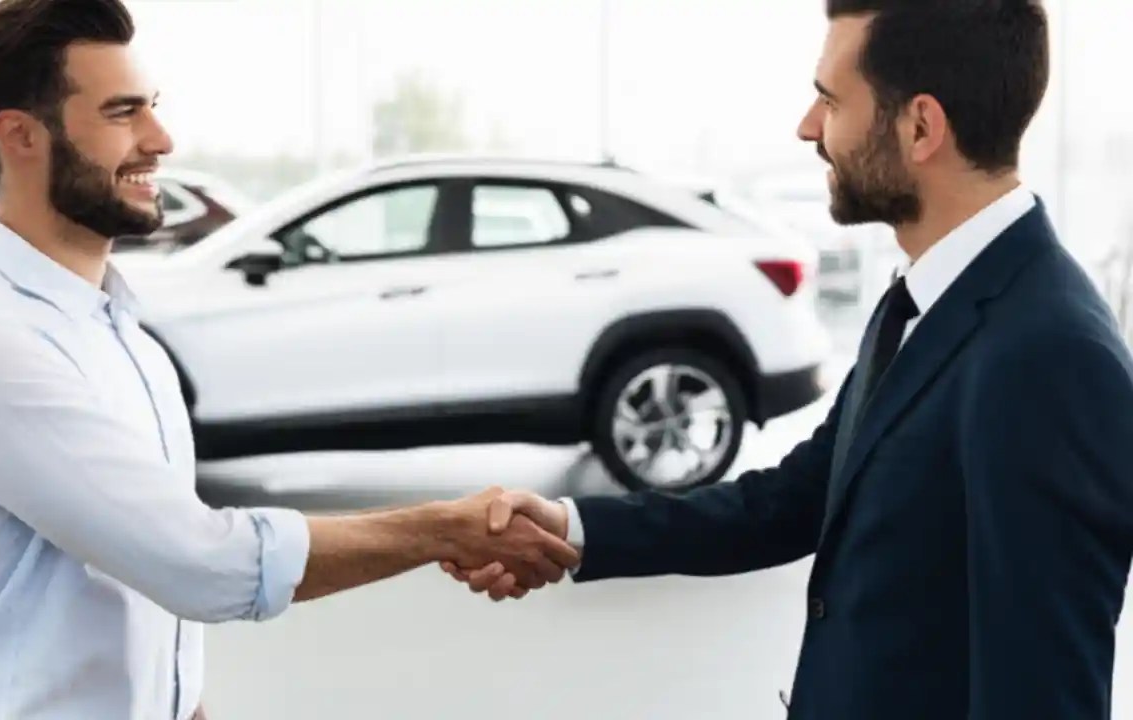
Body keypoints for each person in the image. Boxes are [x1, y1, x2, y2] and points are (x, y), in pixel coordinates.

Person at [447, 1, 1133, 718]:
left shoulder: (1049, 357)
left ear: (921, 126)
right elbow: (796, 500)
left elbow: (1044, 696)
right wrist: (572, 529)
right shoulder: (929, 296)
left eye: (831, 100)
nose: (808, 127)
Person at [0, 1, 575, 718]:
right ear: (20, 136)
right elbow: (200, 563)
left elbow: (143, 592)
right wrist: (444, 527)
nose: (161, 138)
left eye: (151, 107)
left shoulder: (122, 336)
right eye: (123, 112)